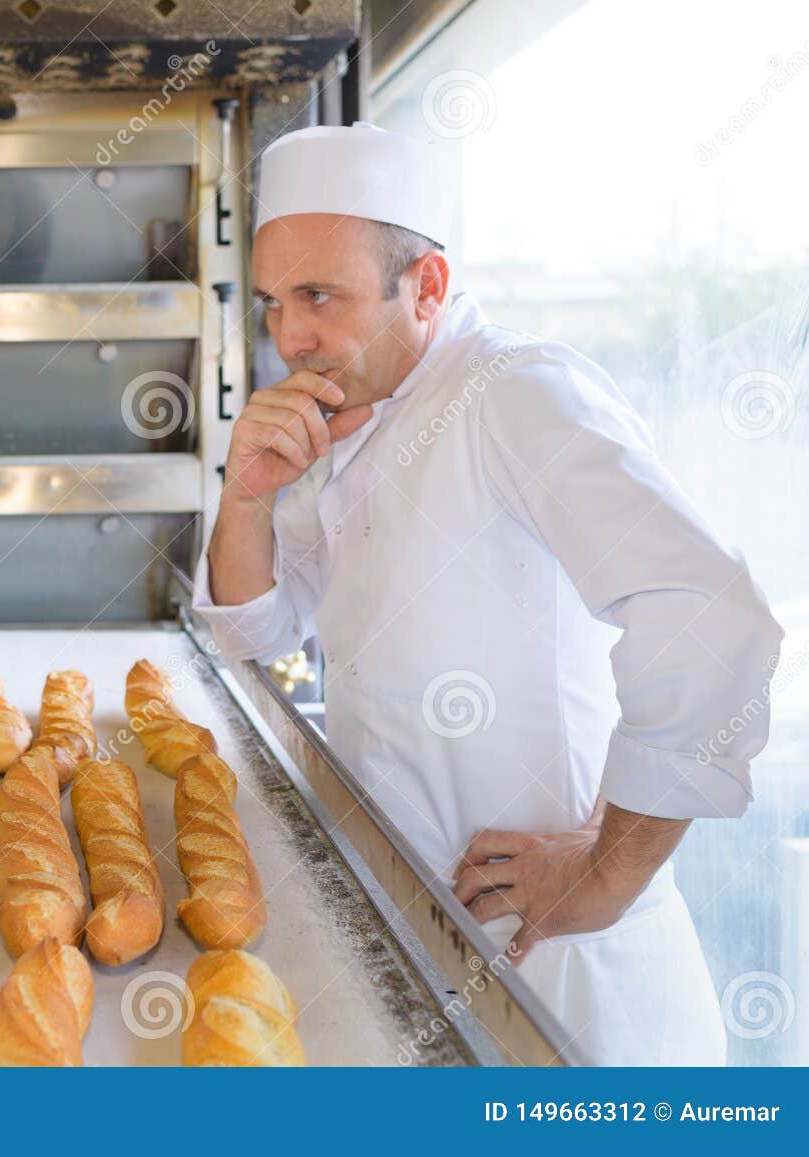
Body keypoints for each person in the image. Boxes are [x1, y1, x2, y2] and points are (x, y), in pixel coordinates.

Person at [193, 122, 782, 1065]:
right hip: (412, 947)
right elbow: (255, 631)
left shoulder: (515, 392)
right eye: (270, 301)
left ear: (427, 285)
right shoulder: (344, 410)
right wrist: (246, 495)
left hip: (564, 985)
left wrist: (605, 871)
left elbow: (707, 615)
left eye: (318, 296)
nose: (287, 336)